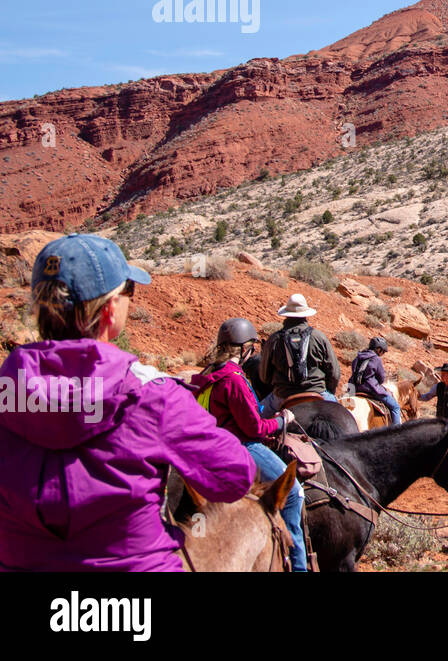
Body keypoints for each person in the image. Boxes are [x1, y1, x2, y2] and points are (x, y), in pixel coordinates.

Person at [0, 234, 254, 571]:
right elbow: (234, 475)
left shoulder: (7, 391)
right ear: (108, 310)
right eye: (127, 293)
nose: (130, 301)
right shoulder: (152, 394)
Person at [191, 318, 308, 572]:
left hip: (205, 450)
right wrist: (281, 421)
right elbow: (253, 428)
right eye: (251, 348)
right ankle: (298, 566)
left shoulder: (203, 376)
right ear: (244, 349)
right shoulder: (234, 378)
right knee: (294, 495)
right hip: (239, 448)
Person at [259, 293, 340, 414]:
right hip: (317, 392)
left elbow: (264, 376)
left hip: (282, 396)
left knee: (255, 421)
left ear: (286, 315)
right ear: (305, 315)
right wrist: (328, 391)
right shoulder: (319, 337)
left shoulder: (274, 340)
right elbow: (334, 373)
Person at [350, 336, 403, 424]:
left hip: (354, 388)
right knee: (395, 407)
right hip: (371, 389)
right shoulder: (376, 359)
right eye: (383, 351)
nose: (382, 354)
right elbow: (381, 377)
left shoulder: (358, 357)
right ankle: (396, 433)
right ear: (378, 349)